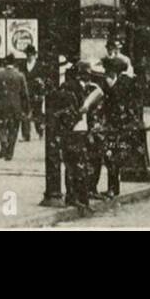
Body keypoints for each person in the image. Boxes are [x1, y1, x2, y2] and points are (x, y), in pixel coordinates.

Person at [61, 61, 105, 212]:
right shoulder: (77, 89)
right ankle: (79, 198)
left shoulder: (72, 87)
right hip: (77, 129)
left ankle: (73, 196)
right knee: (79, 165)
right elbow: (78, 110)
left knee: (72, 165)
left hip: (74, 130)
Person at [100, 57, 140, 198]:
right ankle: (113, 187)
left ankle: (113, 187)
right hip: (113, 125)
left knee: (113, 156)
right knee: (111, 156)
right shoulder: (117, 84)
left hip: (119, 126)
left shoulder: (122, 85)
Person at [0, 55, 30, 160]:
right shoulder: (20, 76)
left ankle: (3, 142)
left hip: (2, 106)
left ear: (4, 63)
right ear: (15, 63)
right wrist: (26, 109)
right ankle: (10, 152)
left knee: (0, 126)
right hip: (16, 107)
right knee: (14, 129)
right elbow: (24, 94)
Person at [20, 46, 46, 141]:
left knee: (37, 114)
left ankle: (40, 132)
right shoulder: (22, 65)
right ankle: (26, 135)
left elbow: (43, 80)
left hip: (36, 93)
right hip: (25, 92)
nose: (29, 56)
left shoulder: (40, 66)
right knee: (25, 113)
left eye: (31, 54)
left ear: (34, 55)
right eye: (27, 54)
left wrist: (41, 91)